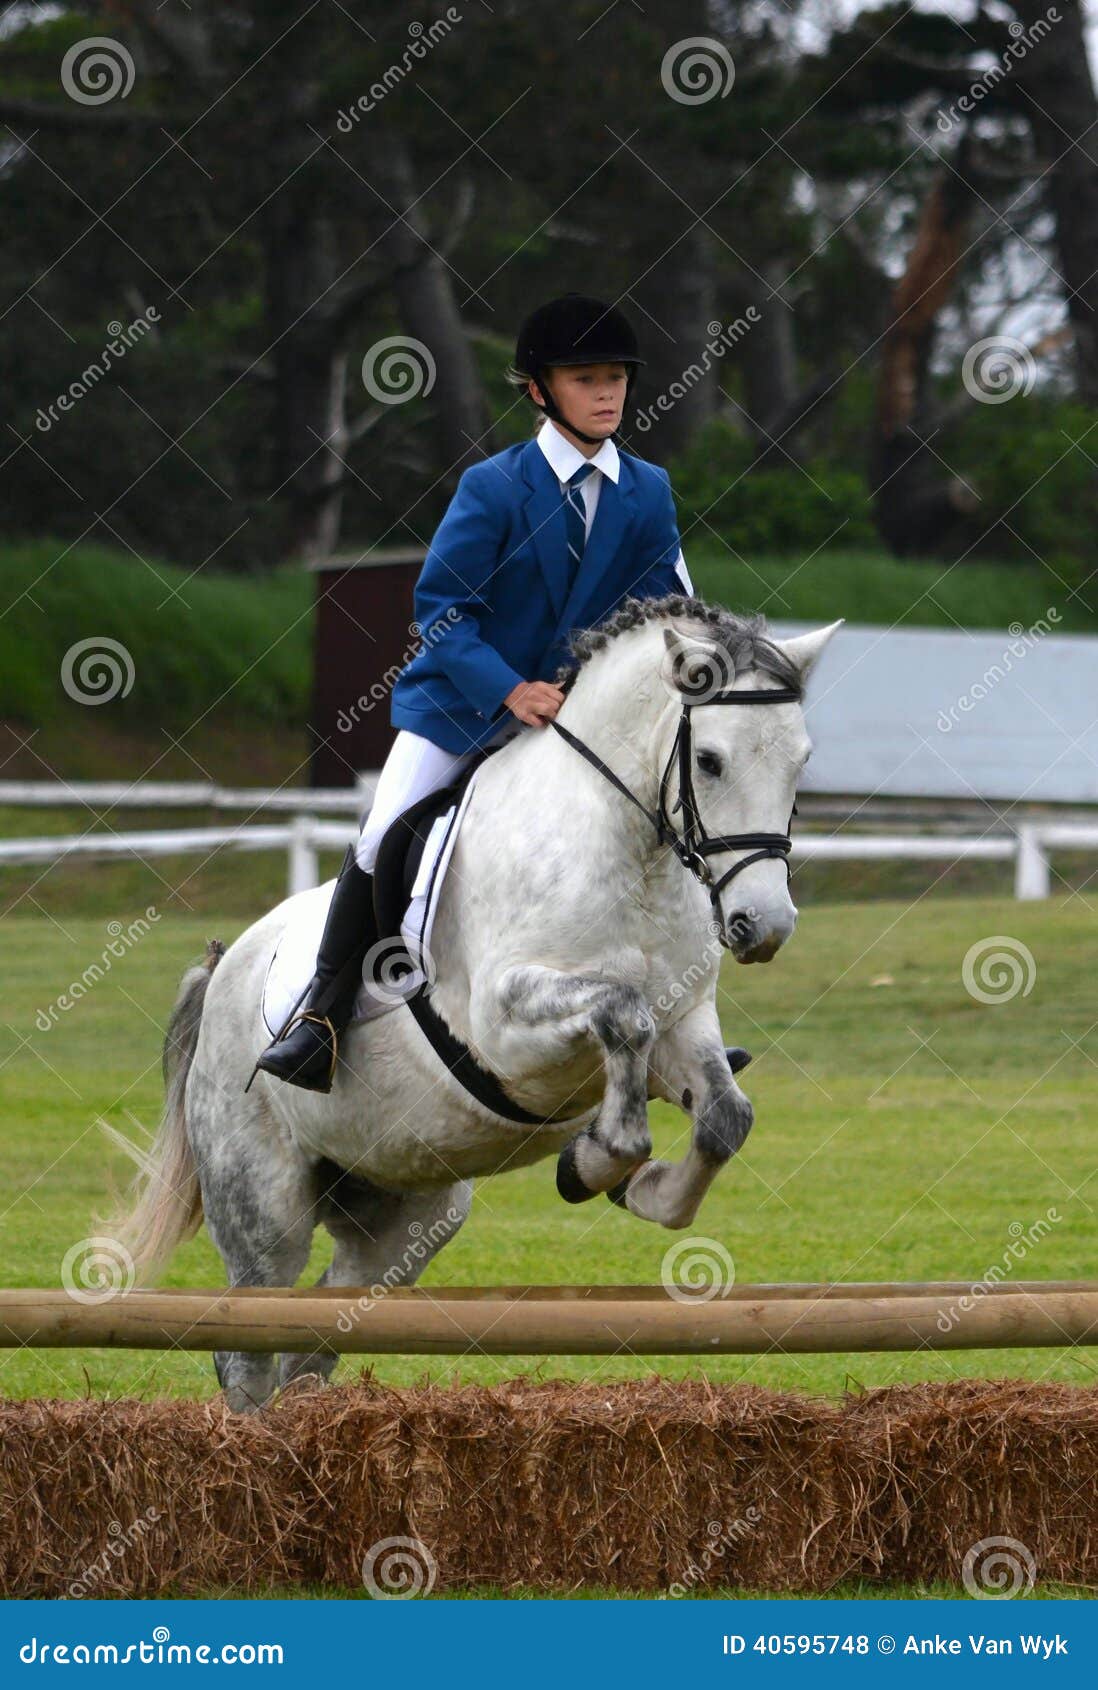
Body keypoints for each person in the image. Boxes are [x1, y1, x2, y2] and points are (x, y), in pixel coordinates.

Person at [256, 292, 694, 1092]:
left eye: (616, 379)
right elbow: (442, 614)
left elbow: (664, 607)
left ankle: (680, 1030)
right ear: (538, 390)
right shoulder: (495, 488)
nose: (606, 394)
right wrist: (511, 691)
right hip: (462, 706)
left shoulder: (648, 491)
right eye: (585, 379)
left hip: (576, 721)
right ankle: (321, 1011)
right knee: (383, 832)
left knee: (666, 825)